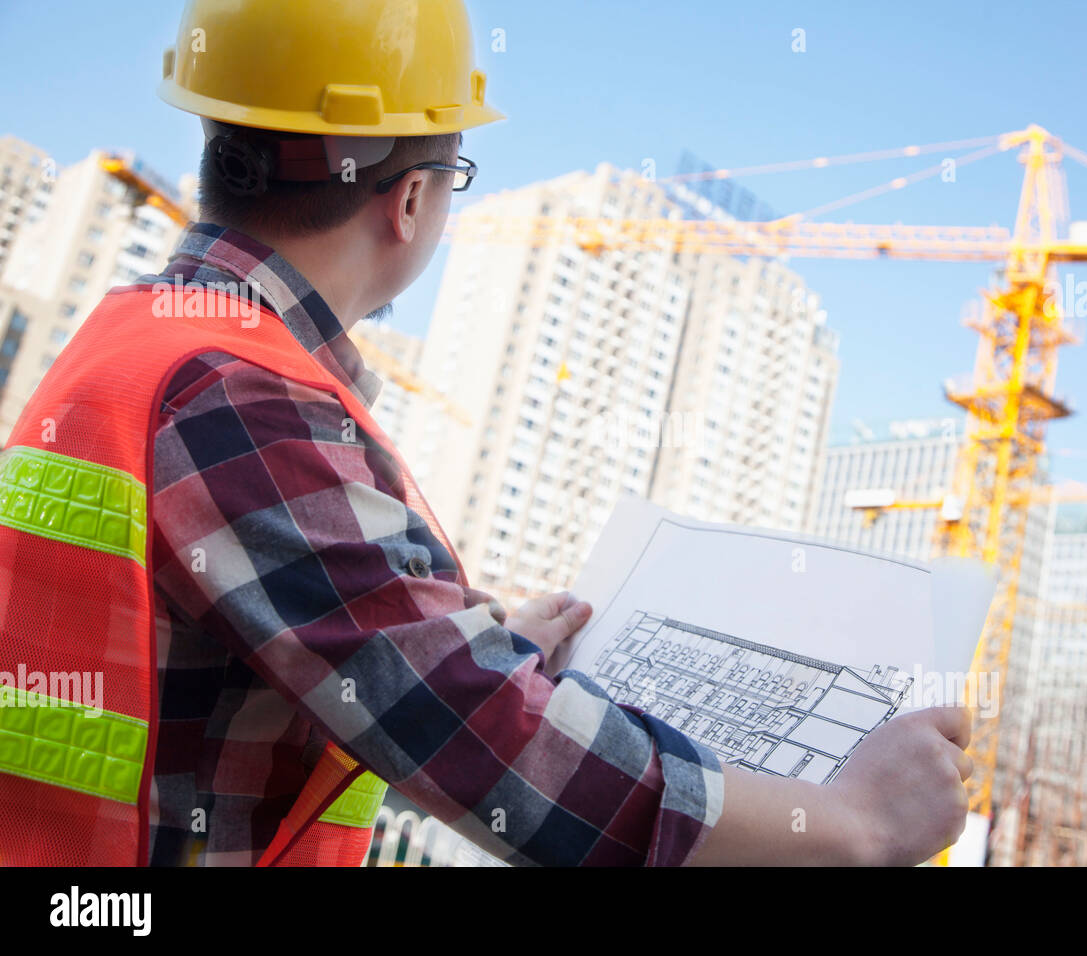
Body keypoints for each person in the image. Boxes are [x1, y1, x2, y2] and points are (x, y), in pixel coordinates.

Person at [0, 0, 971, 866]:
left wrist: (473, 645)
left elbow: (238, 654)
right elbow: (480, 741)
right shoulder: (241, 393)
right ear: (413, 195)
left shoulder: (141, 336)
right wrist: (850, 821)